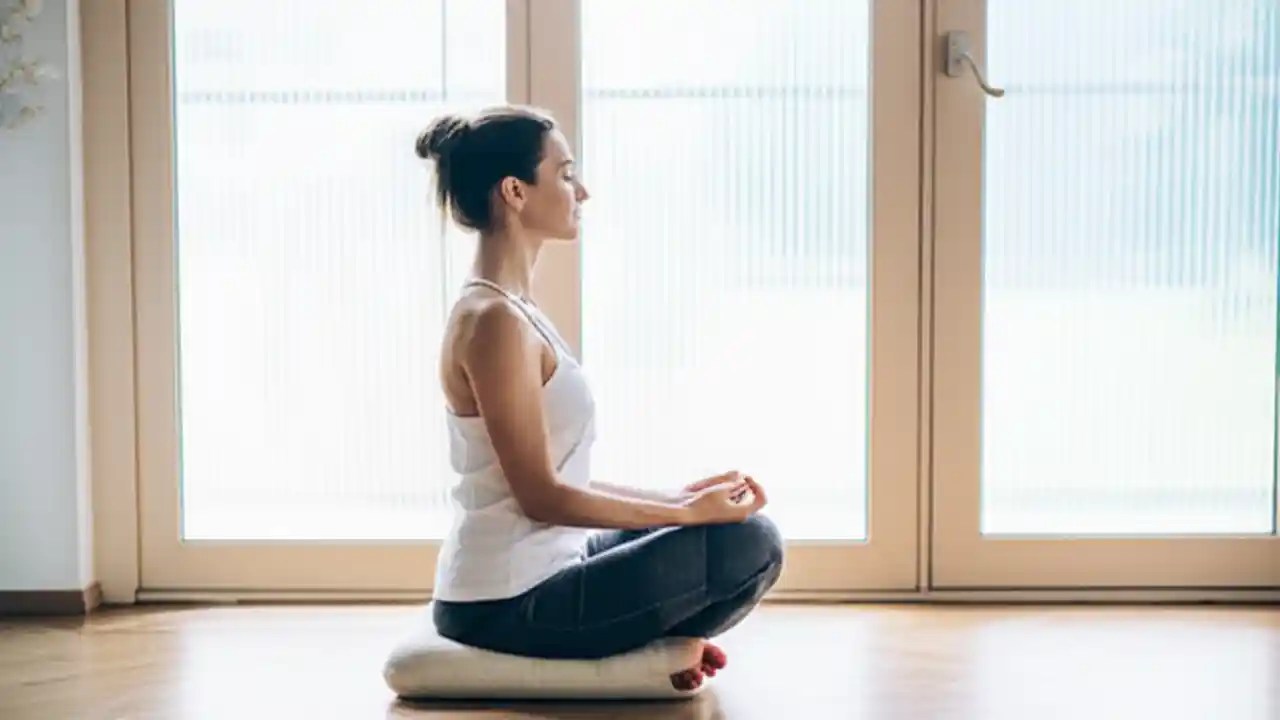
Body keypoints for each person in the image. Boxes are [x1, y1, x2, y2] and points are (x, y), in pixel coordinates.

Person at [415, 105, 784, 691]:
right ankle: (654, 645)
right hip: (507, 600)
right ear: (515, 191)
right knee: (751, 545)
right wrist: (685, 514)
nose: (581, 191)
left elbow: (561, 477)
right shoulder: (492, 322)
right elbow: (542, 496)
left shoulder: (515, 310)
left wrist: (679, 500)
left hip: (554, 563)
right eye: (564, 174)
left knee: (727, 528)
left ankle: (655, 640)